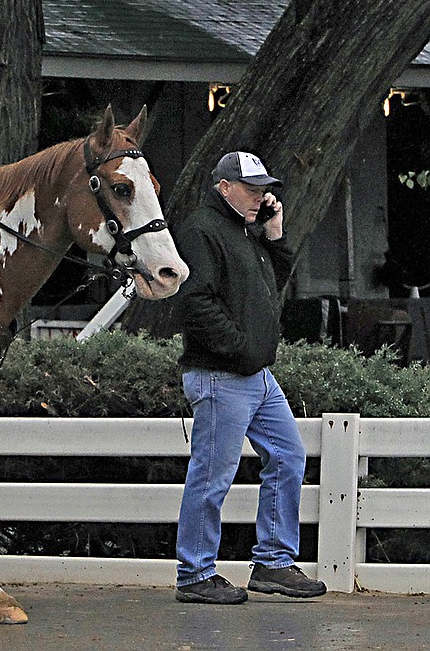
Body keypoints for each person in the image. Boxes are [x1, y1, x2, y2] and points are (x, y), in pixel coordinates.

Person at [172, 151, 327, 604]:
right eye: (253, 189)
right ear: (225, 188)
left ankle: (274, 564)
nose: (263, 197)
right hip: (223, 375)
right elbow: (194, 304)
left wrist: (275, 237)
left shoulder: (243, 232)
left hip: (254, 375)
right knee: (213, 475)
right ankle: (194, 574)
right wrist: (240, 347)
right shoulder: (201, 231)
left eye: (265, 190)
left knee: (288, 457)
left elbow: (266, 289)